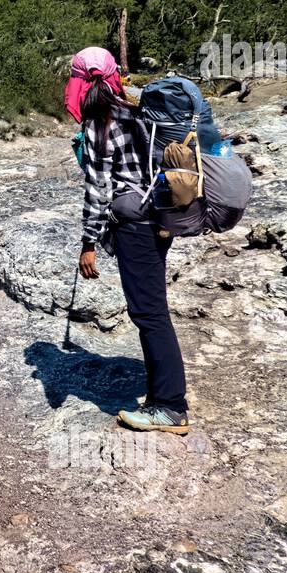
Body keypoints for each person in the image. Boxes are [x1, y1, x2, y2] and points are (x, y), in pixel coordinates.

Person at [67, 47, 189, 435]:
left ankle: (169, 406)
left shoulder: (99, 122)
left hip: (134, 226)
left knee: (150, 314)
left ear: (81, 81)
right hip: (158, 218)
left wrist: (89, 242)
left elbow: (99, 189)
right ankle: (165, 396)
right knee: (151, 310)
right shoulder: (134, 108)